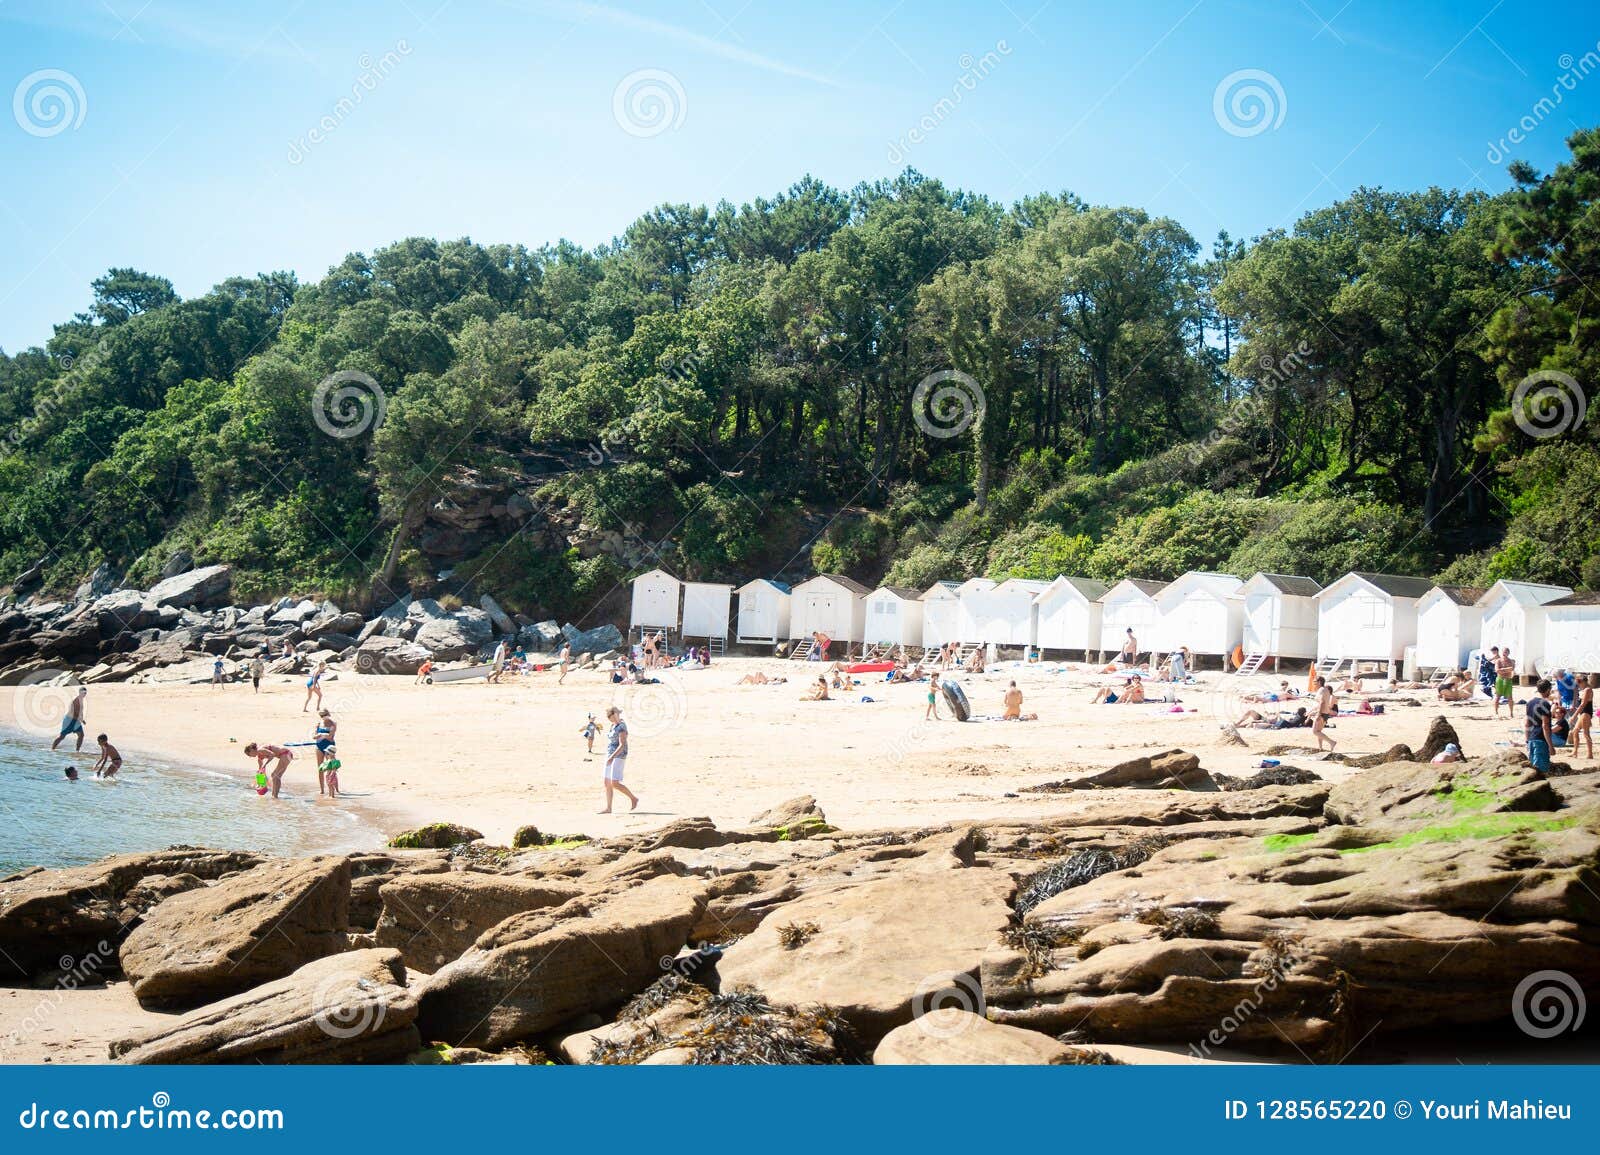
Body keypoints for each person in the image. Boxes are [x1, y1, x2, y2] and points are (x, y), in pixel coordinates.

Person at [599, 706, 638, 813]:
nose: (610, 719)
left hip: (619, 756)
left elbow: (622, 744)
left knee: (614, 783)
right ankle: (609, 808)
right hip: (610, 755)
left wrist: (612, 757)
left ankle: (633, 798)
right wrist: (609, 756)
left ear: (615, 714)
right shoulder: (613, 725)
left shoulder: (621, 726)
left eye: (611, 716)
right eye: (609, 717)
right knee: (607, 782)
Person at [1526, 678, 1554, 773]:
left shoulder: (1530, 703)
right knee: (1541, 771)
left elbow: (1527, 723)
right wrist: (1550, 745)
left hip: (1531, 739)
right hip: (1541, 740)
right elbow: (1545, 726)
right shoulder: (1545, 704)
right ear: (1548, 690)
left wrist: (1527, 740)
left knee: (1532, 770)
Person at [52, 687, 88, 752]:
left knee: (81, 735)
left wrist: (82, 719)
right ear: (79, 692)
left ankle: (77, 750)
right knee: (62, 736)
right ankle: (52, 749)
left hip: (76, 721)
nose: (84, 694)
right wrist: (80, 719)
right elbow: (75, 712)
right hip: (69, 720)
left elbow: (80, 711)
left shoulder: (81, 700)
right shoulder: (76, 700)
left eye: (85, 693)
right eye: (83, 693)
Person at [313, 710, 338, 792]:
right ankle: (322, 789)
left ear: (328, 714)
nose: (323, 717)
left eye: (324, 715)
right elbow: (314, 736)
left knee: (331, 767)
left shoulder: (333, 723)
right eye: (321, 715)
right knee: (320, 768)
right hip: (319, 746)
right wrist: (320, 735)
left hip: (329, 747)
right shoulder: (319, 724)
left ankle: (335, 789)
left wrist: (321, 735)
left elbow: (331, 736)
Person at [1312, 676, 1337, 752]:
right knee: (1319, 731)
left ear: (1319, 682)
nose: (1314, 683)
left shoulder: (1321, 690)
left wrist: (1318, 714)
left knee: (1315, 731)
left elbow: (1322, 702)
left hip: (1322, 713)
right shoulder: (1325, 690)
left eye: (1315, 682)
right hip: (1326, 713)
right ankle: (1320, 747)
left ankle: (1332, 742)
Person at [1493, 648, 1516, 718]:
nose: (1504, 653)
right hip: (1500, 679)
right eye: (1503, 652)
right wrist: (1507, 669)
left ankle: (1511, 713)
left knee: (1510, 697)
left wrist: (1502, 670)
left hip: (1508, 679)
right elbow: (1497, 670)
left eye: (1506, 652)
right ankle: (1496, 712)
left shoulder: (1511, 661)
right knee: (1497, 696)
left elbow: (1512, 669)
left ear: (1508, 653)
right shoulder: (1498, 661)